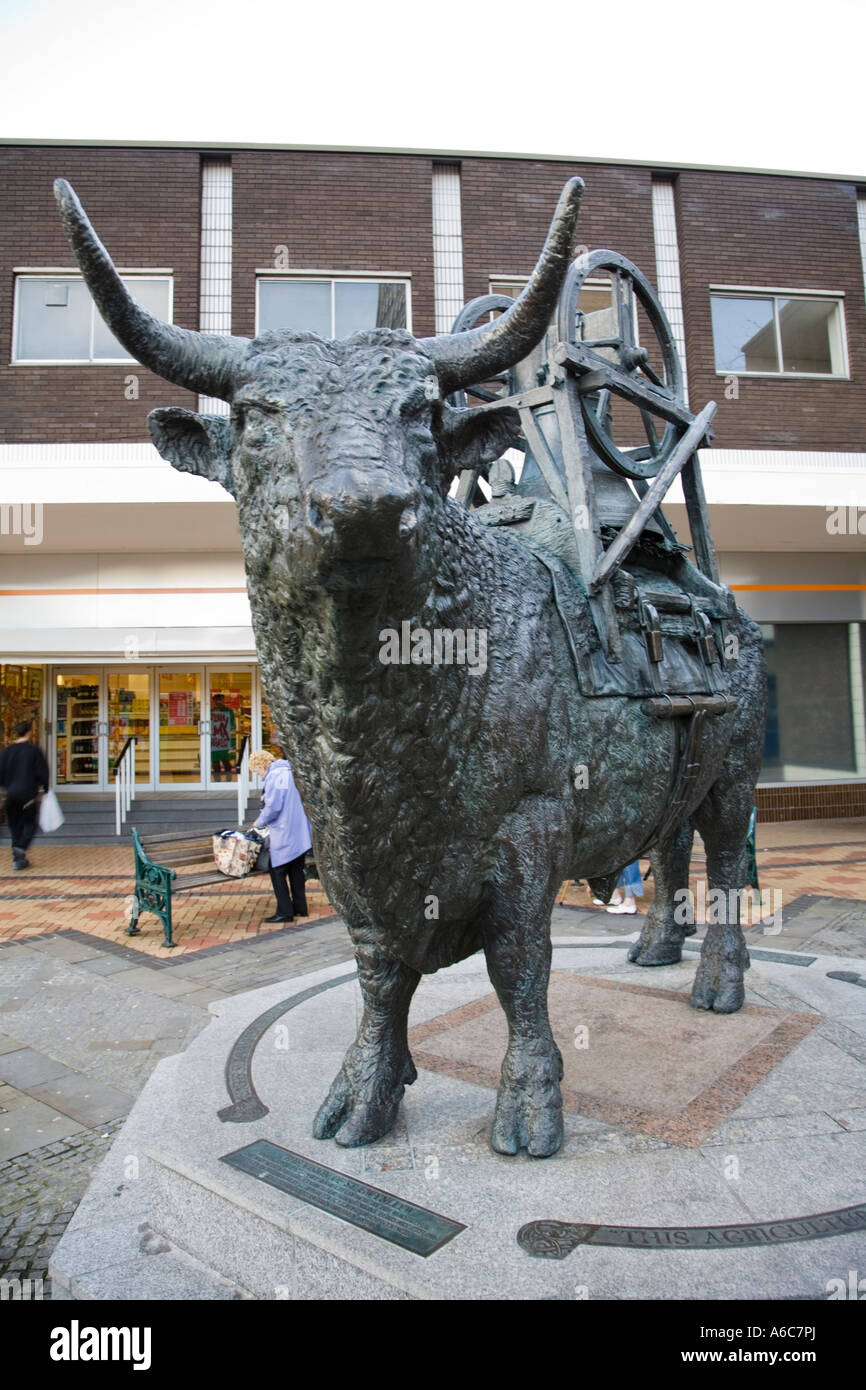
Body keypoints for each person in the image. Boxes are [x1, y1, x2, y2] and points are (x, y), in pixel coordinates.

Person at [249, 749, 312, 923]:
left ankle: (285, 911)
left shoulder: (275, 777)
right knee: (296, 869)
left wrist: (259, 822)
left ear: (262, 765)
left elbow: (273, 807)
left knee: (276, 869)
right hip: (300, 830)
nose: (260, 776)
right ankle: (300, 907)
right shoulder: (291, 772)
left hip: (285, 831)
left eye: (257, 771)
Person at [0, 720, 51, 871]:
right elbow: (42, 772)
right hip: (28, 795)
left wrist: (7, 787)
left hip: (12, 794)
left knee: (14, 825)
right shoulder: (33, 751)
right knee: (30, 823)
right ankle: (20, 849)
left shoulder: (7, 751)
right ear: (29, 732)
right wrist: (46, 788)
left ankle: (18, 857)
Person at [209, 692, 236, 782]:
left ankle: (228, 780)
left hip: (225, 739)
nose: (219, 702)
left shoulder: (229, 711)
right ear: (214, 701)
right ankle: (217, 781)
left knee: (226, 761)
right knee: (215, 762)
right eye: (217, 700)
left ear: (223, 700)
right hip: (214, 739)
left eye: (220, 700)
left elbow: (232, 725)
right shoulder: (210, 712)